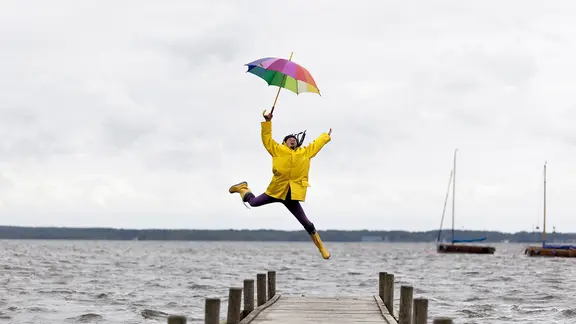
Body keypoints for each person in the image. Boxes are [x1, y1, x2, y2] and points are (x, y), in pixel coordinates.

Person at [229, 111, 332, 259]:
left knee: (307, 223)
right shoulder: (278, 150)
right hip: (275, 191)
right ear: (285, 142)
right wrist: (267, 122)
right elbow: (266, 139)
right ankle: (242, 188)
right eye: (289, 139)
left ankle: (321, 247)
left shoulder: (305, 153)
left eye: (294, 139)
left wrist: (325, 136)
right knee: (253, 203)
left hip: (292, 195)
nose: (292, 140)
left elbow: (316, 144)